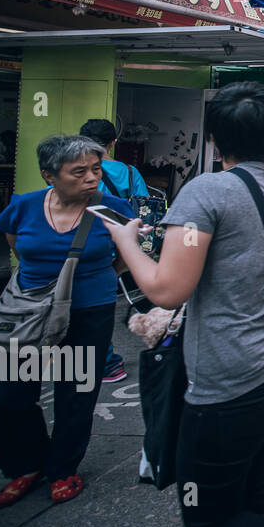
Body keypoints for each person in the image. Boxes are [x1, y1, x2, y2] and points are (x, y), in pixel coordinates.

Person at [107, 82, 264, 527]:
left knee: (208, 519)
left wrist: (128, 244)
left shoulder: (205, 193)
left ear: (215, 139)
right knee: (246, 486)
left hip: (226, 377)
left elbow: (168, 289)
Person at [0, 135, 133, 508]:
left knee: (75, 396)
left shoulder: (111, 207)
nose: (91, 178)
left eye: (96, 169)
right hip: (27, 315)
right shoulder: (23, 207)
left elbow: (126, 254)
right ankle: (26, 465)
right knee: (8, 397)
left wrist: (95, 276)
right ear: (49, 175)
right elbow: (14, 242)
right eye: (79, 171)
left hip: (89, 312)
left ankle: (62, 468)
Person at [79, 117, 150, 383]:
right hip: (118, 244)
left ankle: (85, 361)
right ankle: (105, 362)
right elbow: (143, 210)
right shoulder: (129, 173)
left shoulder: (70, 172)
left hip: (81, 243)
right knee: (101, 304)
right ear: (113, 142)